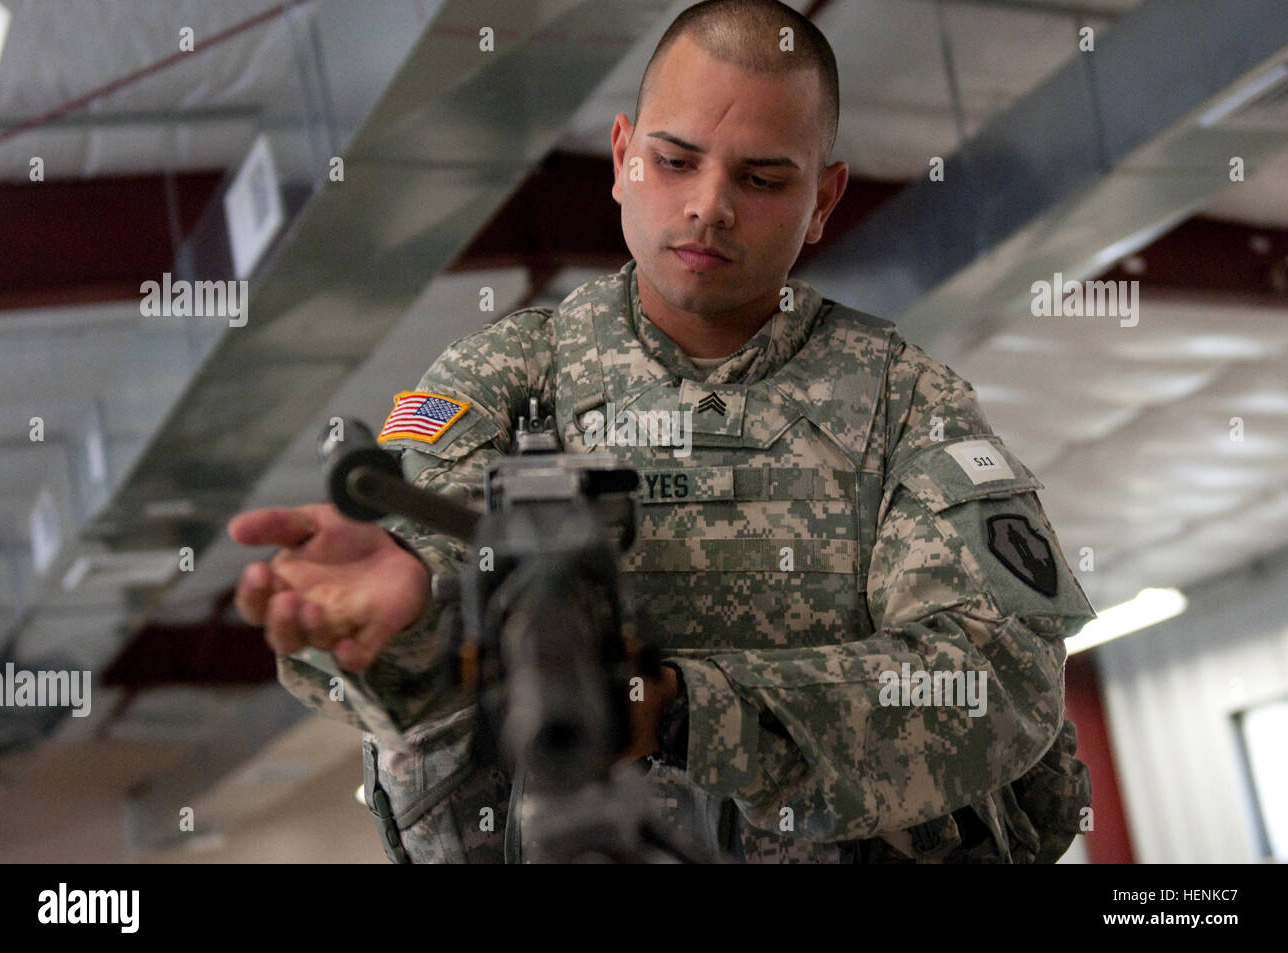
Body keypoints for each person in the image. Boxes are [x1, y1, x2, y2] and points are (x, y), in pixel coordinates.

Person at [229, 0, 1094, 863]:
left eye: (762, 179)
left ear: (824, 198)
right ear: (621, 158)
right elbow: (428, 622)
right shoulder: (507, 380)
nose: (710, 205)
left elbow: (995, 675)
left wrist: (685, 710)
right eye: (675, 160)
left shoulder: (905, 398)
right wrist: (410, 603)